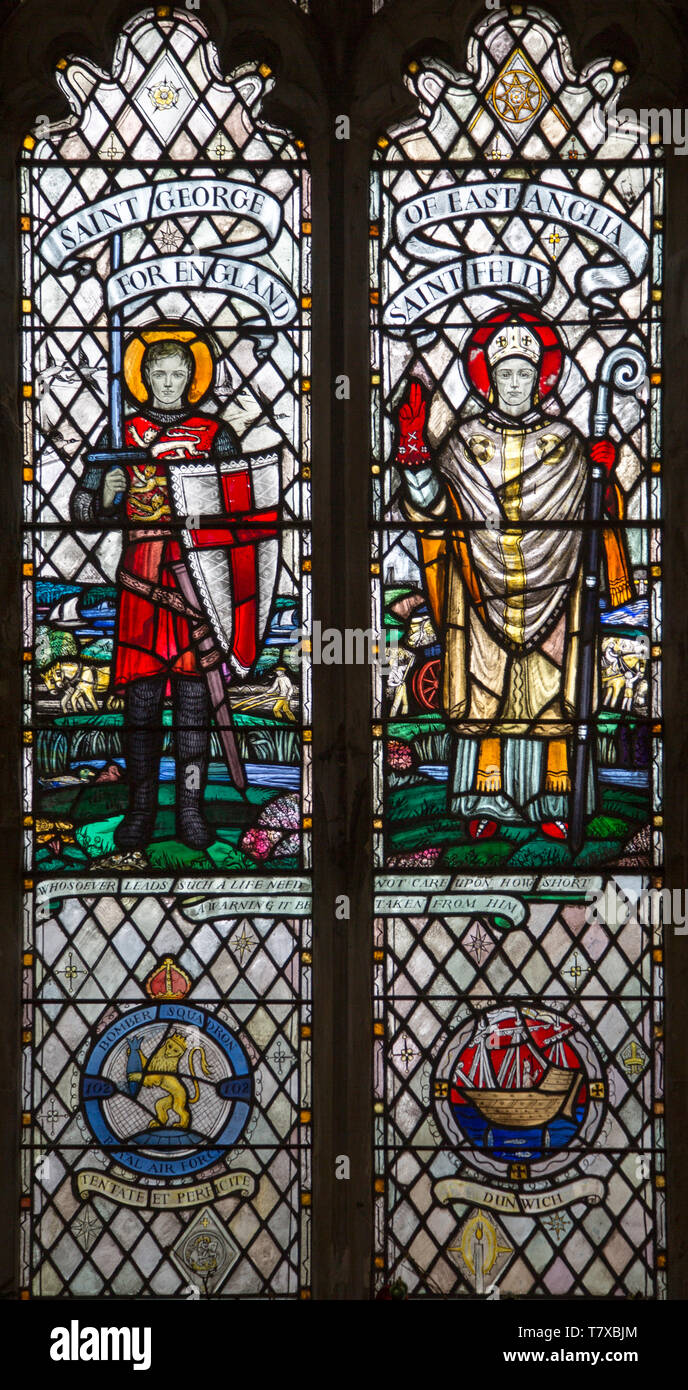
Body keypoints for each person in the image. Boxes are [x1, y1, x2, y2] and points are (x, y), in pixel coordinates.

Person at [394, 310, 633, 842]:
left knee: (551, 696)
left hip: (556, 586)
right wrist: (413, 456)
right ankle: (486, 798)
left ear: (542, 378)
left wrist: (604, 472)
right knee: (486, 694)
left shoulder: (568, 443)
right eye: (505, 374)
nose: (515, 384)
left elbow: (597, 514)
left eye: (525, 373)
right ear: (488, 379)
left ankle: (555, 796)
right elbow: (434, 512)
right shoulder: (462, 442)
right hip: (481, 591)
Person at [72, 331, 244, 852]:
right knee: (142, 706)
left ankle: (190, 812)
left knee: (195, 707)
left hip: (198, 576)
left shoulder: (217, 434)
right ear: (143, 379)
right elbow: (81, 513)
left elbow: (240, 507)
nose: (169, 384)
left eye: (178, 375)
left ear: (193, 379)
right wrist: (105, 492)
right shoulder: (121, 430)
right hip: (142, 578)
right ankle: (140, 809)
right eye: (159, 374)